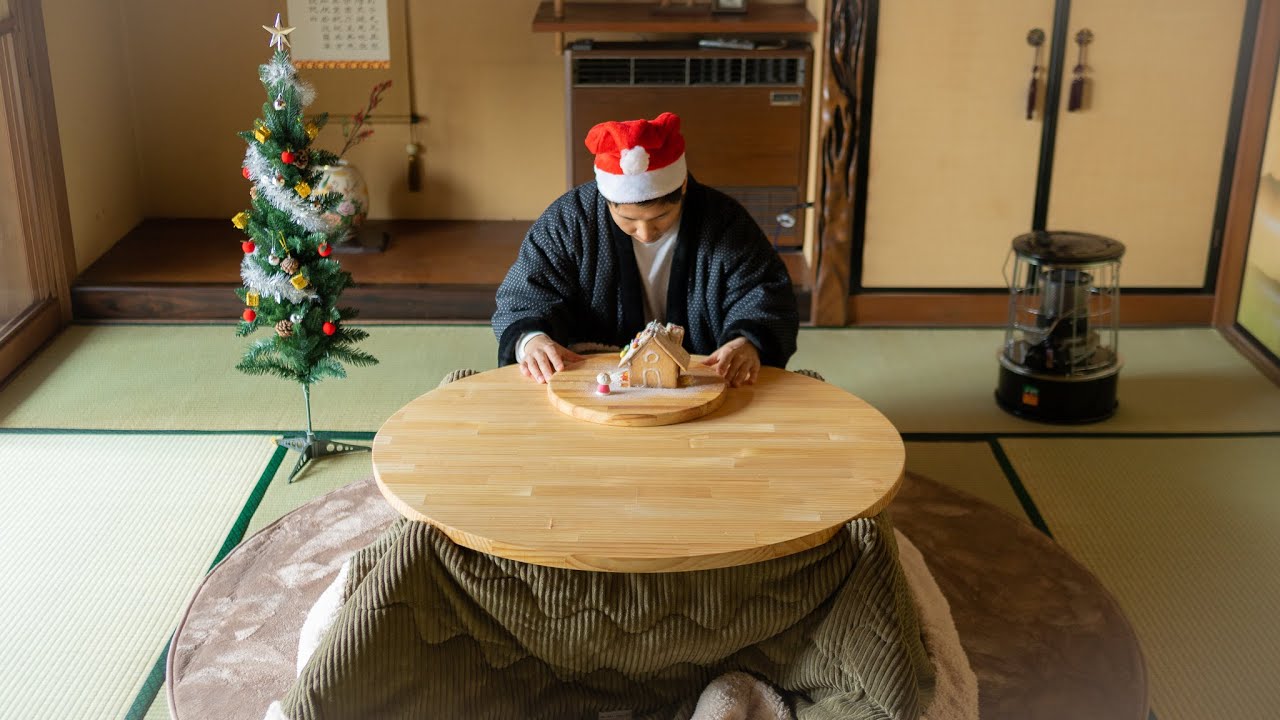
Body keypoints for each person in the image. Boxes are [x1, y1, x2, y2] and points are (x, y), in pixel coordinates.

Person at [492, 112, 798, 388]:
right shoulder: (570, 219)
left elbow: (763, 290)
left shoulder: (723, 221)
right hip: (592, 377)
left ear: (683, 190)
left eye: (661, 217)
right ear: (605, 198)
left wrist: (747, 341)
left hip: (699, 378)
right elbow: (526, 293)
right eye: (628, 220)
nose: (645, 232)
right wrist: (533, 340)